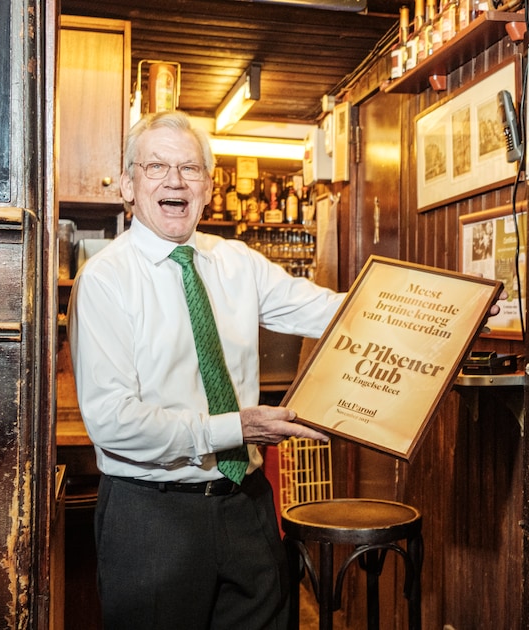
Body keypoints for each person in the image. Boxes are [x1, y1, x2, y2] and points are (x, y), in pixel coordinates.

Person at [68, 110, 343, 629]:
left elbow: (334, 311)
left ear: (210, 187)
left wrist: (445, 311)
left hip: (246, 506)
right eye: (156, 167)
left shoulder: (237, 262)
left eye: (190, 169)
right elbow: (112, 421)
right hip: (152, 516)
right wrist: (236, 428)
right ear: (128, 185)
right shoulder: (105, 280)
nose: (175, 180)